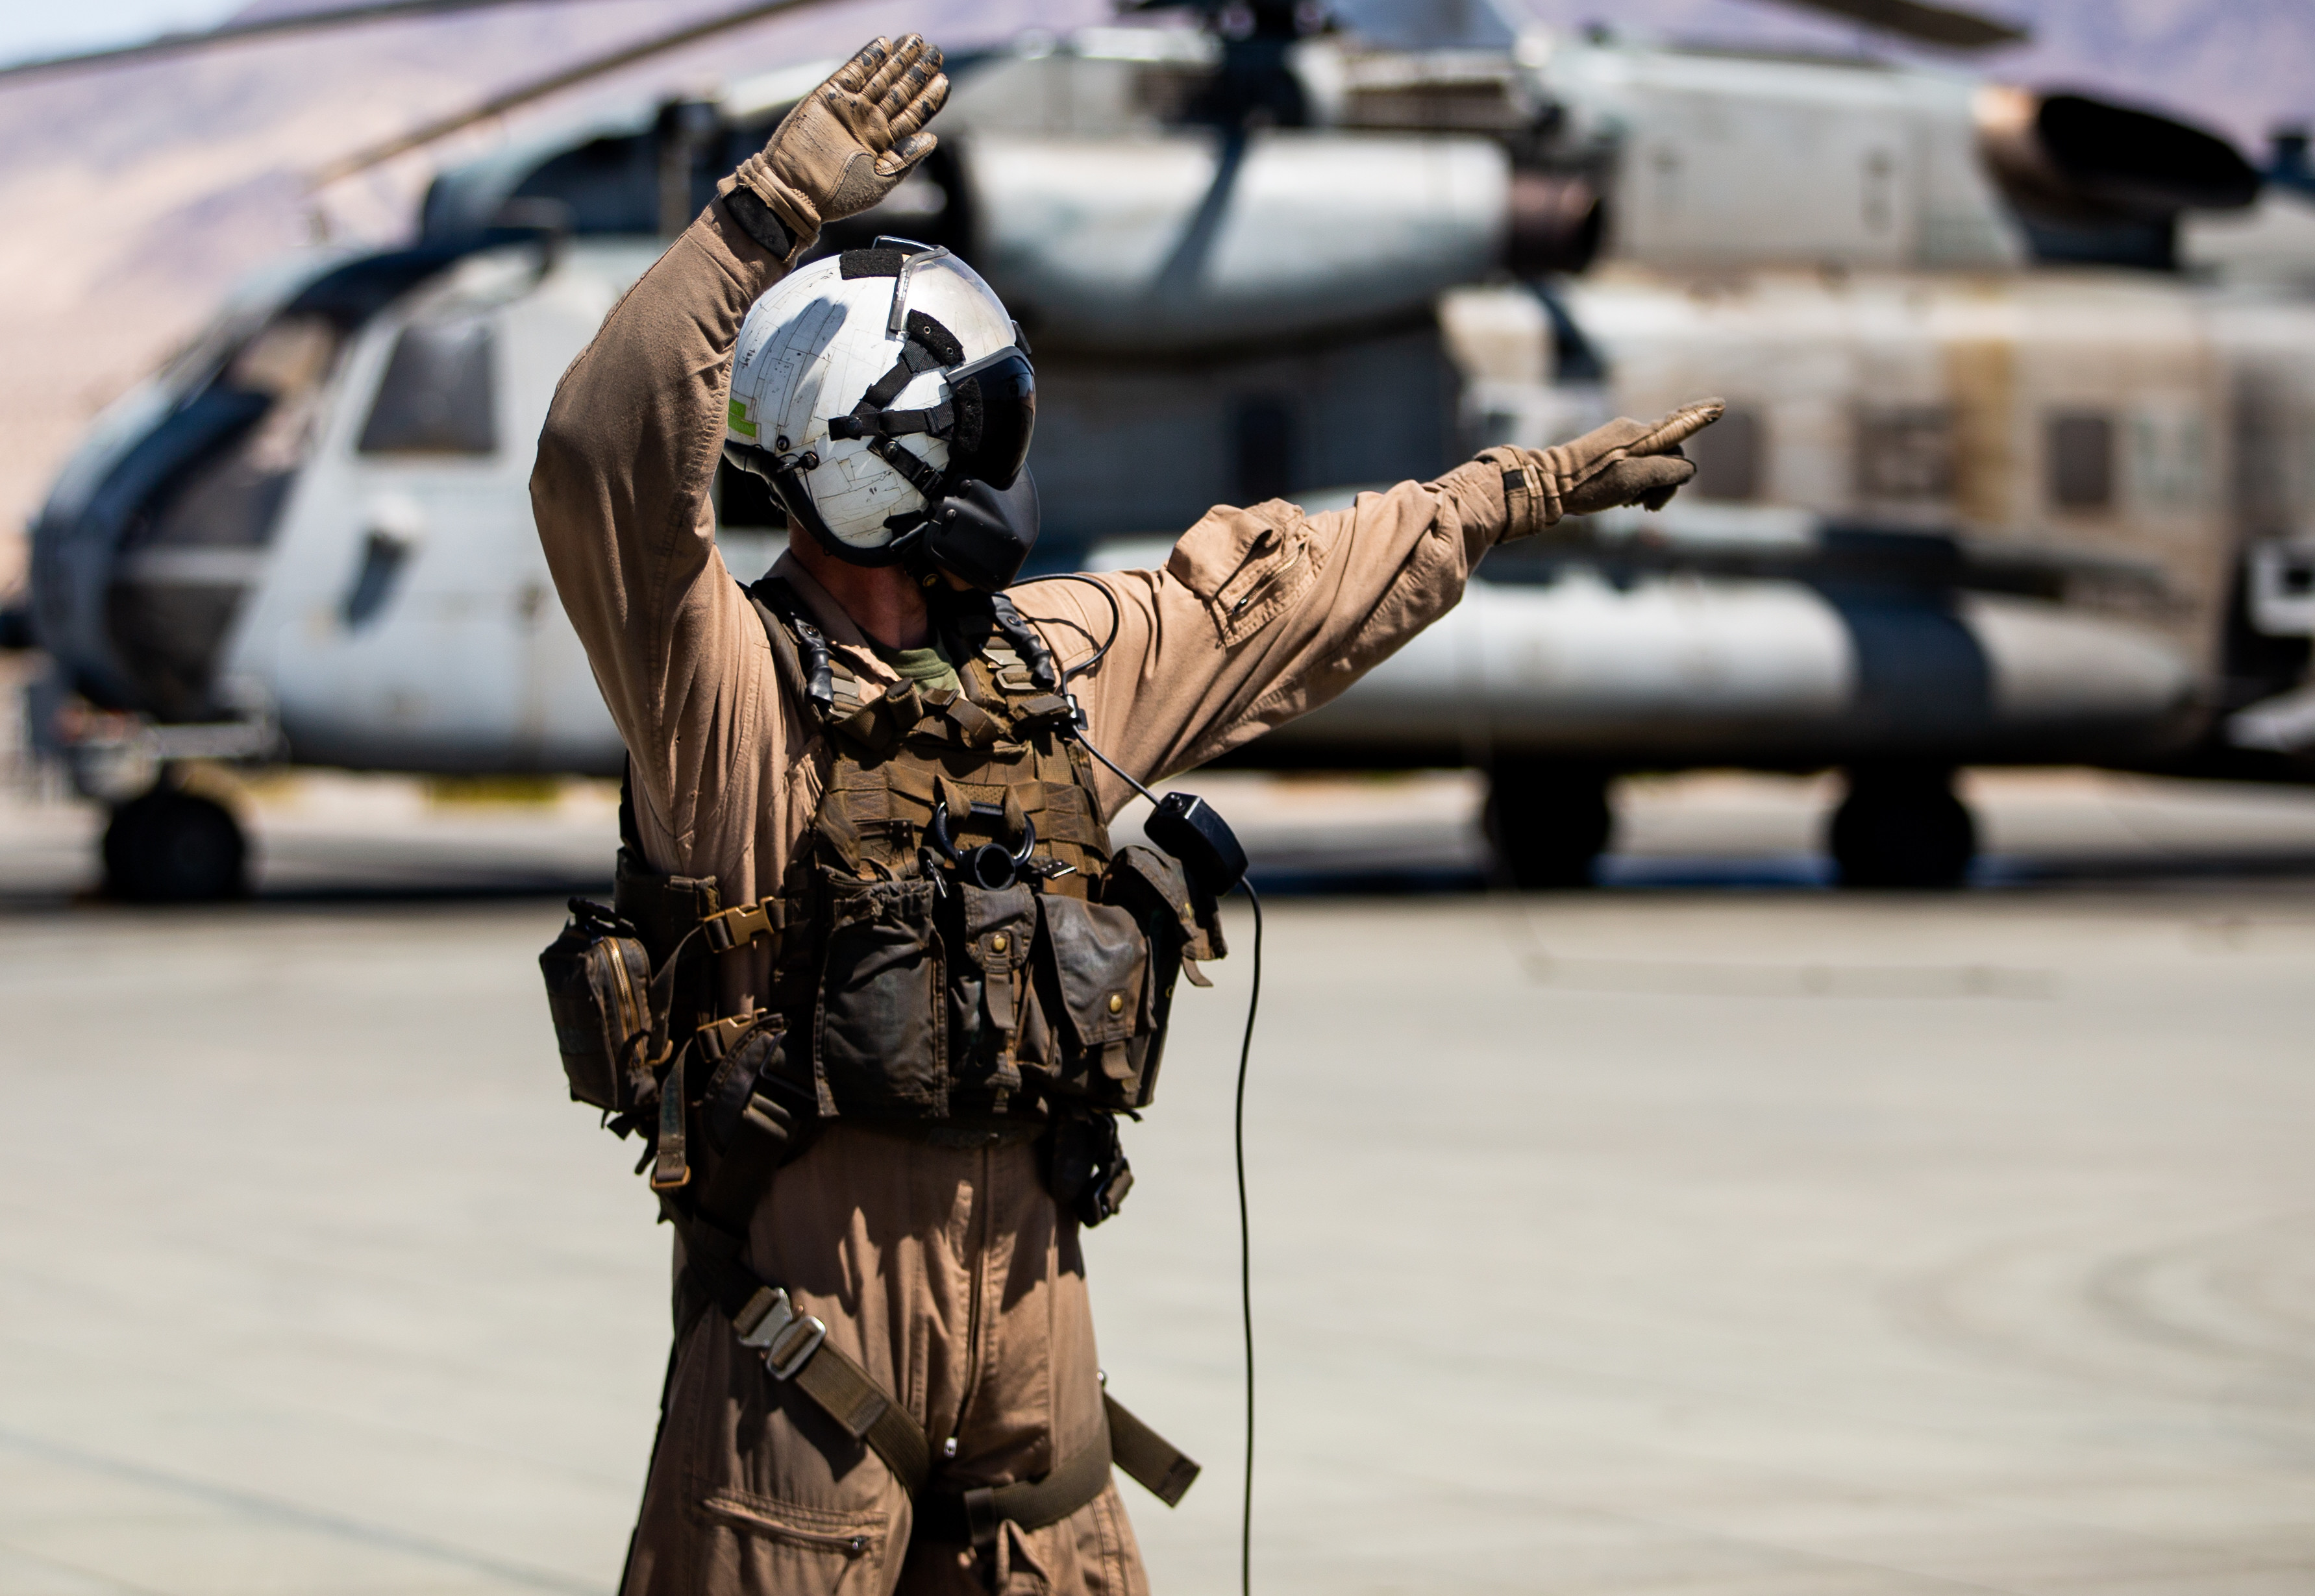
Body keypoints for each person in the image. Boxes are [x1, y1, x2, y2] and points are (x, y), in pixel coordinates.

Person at [530, 33, 1710, 1596]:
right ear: (884, 455)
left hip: (1037, 1367)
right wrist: (771, 209)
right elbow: (606, 457)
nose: (1009, 464)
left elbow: (1288, 590)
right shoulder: (723, 702)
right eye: (984, 426)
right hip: (802, 1379)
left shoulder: (1056, 674)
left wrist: (1517, 490)